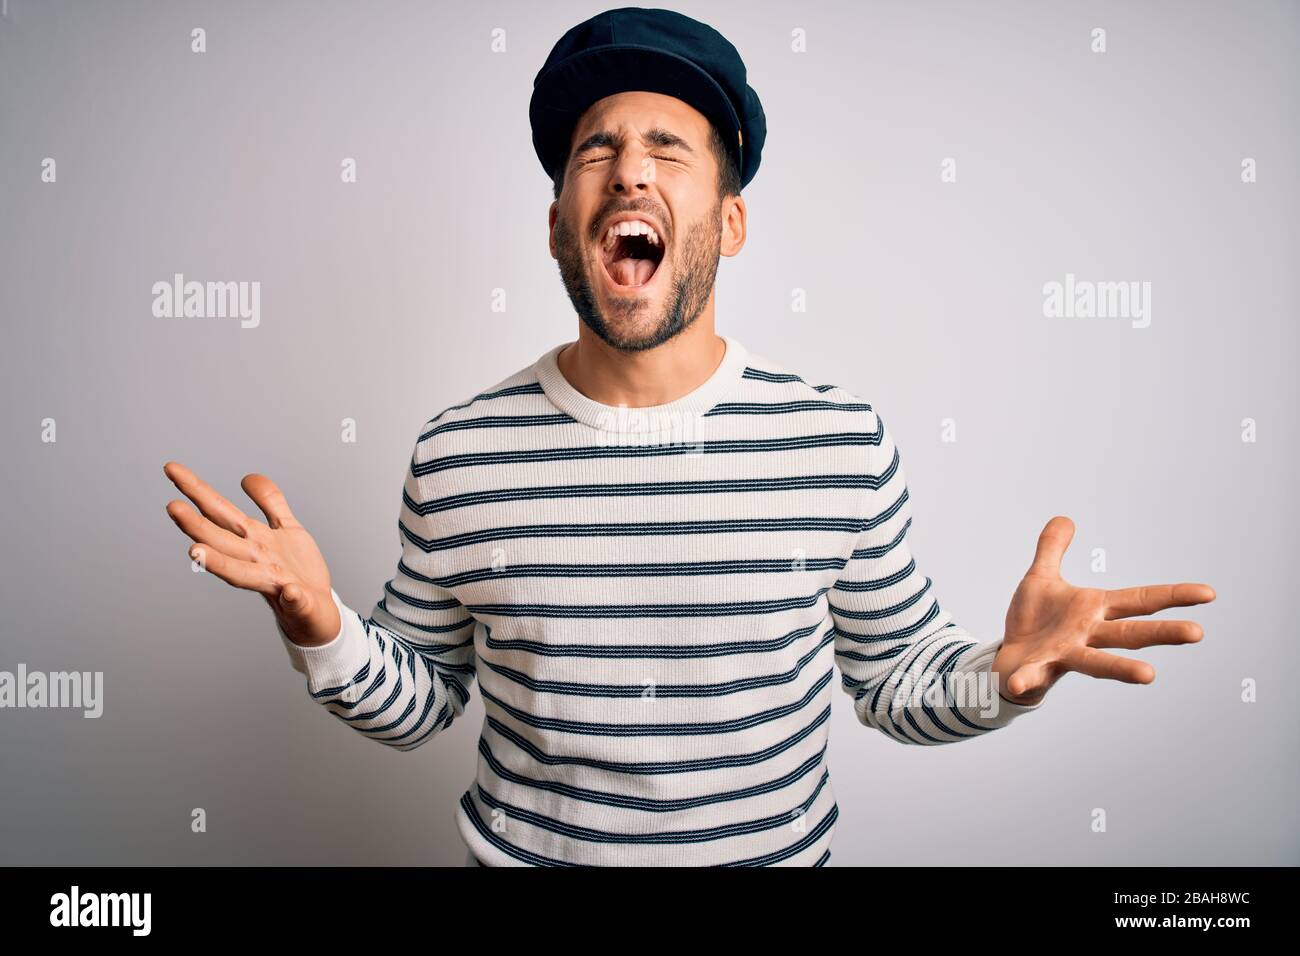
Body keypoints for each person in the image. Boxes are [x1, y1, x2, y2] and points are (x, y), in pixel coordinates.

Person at [163, 7, 1215, 867]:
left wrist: (1000, 673)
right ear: (555, 219)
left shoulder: (836, 442)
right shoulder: (458, 453)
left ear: (731, 220)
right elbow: (422, 700)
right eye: (597, 151)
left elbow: (891, 678)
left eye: (668, 147)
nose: (629, 173)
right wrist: (319, 622)